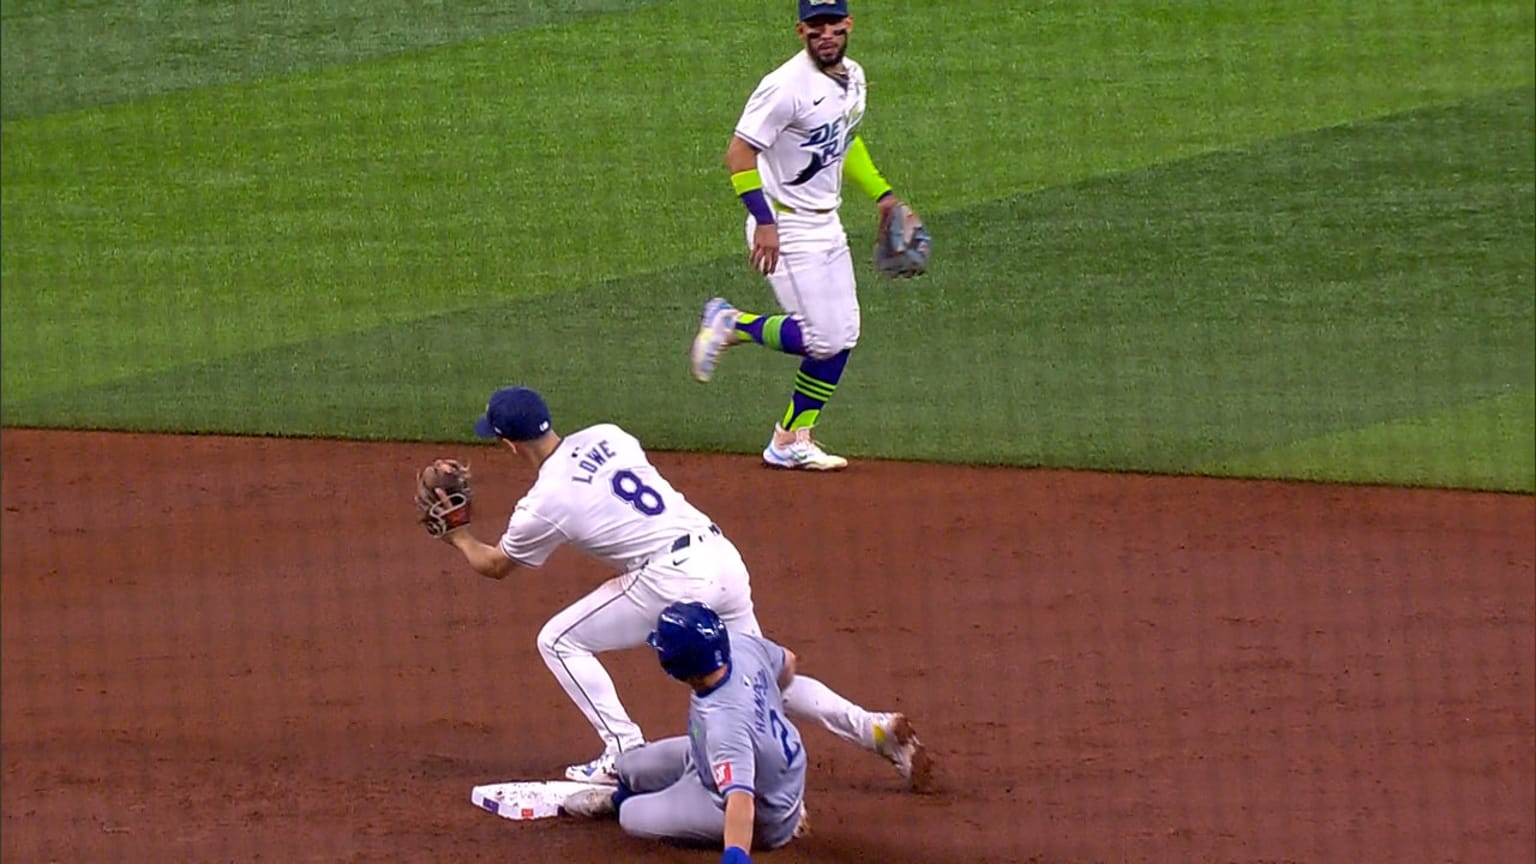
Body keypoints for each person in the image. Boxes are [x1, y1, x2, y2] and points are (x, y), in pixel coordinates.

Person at [429, 384, 931, 789]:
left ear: (509, 443)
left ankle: (622, 749)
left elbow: (496, 565)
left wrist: (457, 536)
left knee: (558, 640)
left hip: (671, 578)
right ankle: (872, 727)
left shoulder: (543, 504)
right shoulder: (610, 434)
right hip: (721, 557)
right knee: (759, 676)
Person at [690, 0, 917, 471]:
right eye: (816, 26)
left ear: (848, 24)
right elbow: (738, 154)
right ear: (801, 30)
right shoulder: (784, 87)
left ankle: (789, 440)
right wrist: (764, 221)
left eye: (833, 24)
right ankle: (733, 323)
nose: (825, 33)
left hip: (826, 222)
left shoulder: (854, 77)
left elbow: (843, 141)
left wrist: (883, 196)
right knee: (823, 338)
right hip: (785, 225)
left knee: (844, 333)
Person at [562, 602, 810, 863]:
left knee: (631, 815)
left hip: (763, 811)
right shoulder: (740, 646)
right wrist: (761, 710)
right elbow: (788, 660)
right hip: (753, 763)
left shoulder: (724, 725)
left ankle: (621, 801)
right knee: (629, 764)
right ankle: (638, 792)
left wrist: (735, 856)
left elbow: (740, 799)